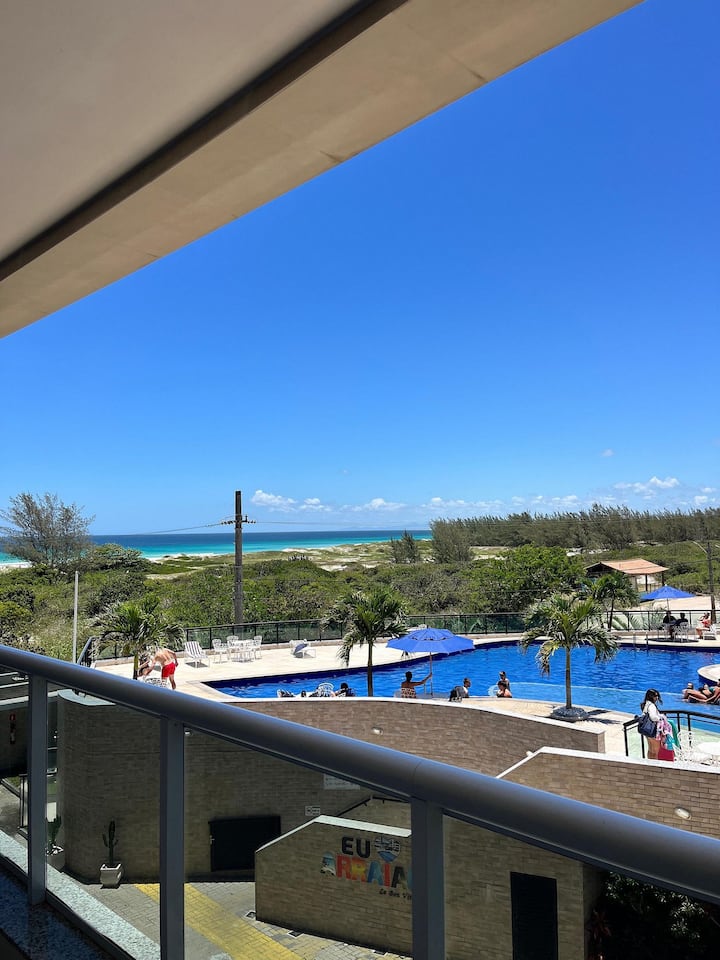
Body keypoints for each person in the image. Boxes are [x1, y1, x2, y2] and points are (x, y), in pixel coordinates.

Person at [640, 689, 665, 759]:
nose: (657, 698)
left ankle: (649, 764)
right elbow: (653, 717)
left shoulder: (646, 704)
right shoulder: (651, 706)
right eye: (655, 696)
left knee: (650, 749)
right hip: (652, 729)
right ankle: (654, 766)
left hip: (647, 729)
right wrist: (660, 718)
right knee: (656, 751)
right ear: (651, 696)